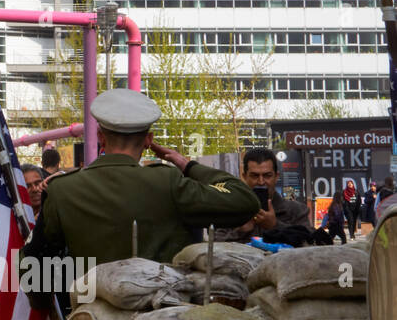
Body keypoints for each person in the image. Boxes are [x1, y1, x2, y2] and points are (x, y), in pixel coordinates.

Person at [26, 89, 260, 272]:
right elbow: (244, 201)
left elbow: (35, 264)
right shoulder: (167, 182)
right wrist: (187, 165)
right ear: (149, 140)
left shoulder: (62, 190)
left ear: (100, 137)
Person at [213, 148, 314, 247]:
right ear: (244, 177)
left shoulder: (297, 211)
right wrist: (241, 231)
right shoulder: (229, 211)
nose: (261, 182)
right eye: (254, 176)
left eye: (267, 175)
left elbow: (310, 243)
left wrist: (275, 226)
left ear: (276, 176)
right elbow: (213, 248)